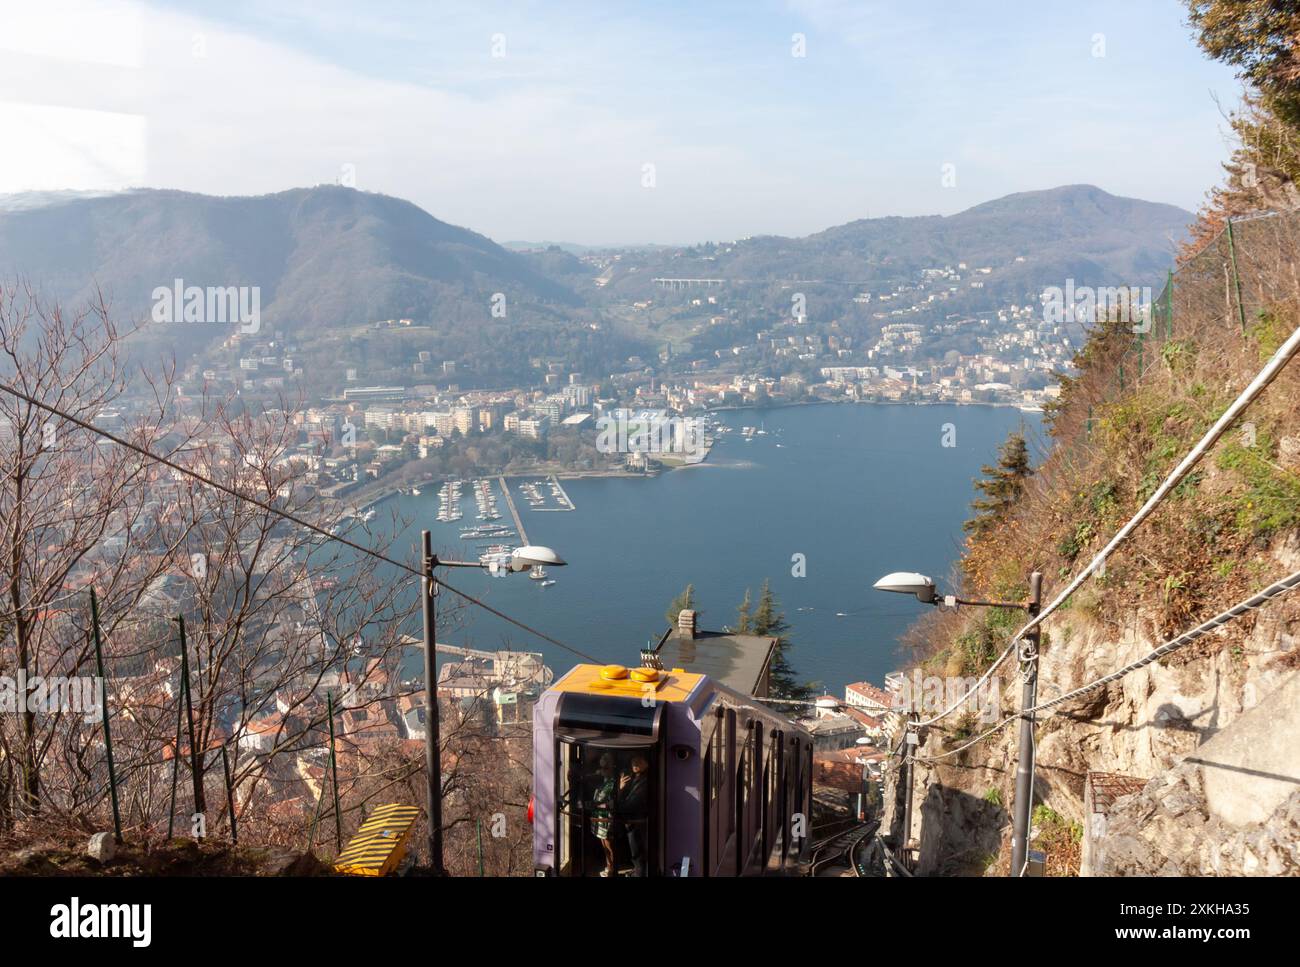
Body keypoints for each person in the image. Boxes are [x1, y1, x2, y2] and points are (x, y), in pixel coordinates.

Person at [617, 753, 650, 876]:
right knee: (635, 853)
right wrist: (620, 788)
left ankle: (639, 873)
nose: (635, 763)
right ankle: (637, 871)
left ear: (647, 763)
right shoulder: (633, 778)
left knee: (639, 853)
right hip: (632, 822)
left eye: (639, 760)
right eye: (633, 760)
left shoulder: (646, 780)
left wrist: (613, 805)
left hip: (639, 822)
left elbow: (632, 804)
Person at [590, 753, 618, 877]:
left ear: (612, 767)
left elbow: (611, 803)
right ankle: (609, 866)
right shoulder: (603, 780)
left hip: (607, 817)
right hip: (599, 817)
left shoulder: (613, 782)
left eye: (606, 768)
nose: (602, 770)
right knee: (603, 843)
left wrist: (595, 805)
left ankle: (613, 869)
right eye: (602, 768)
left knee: (609, 844)